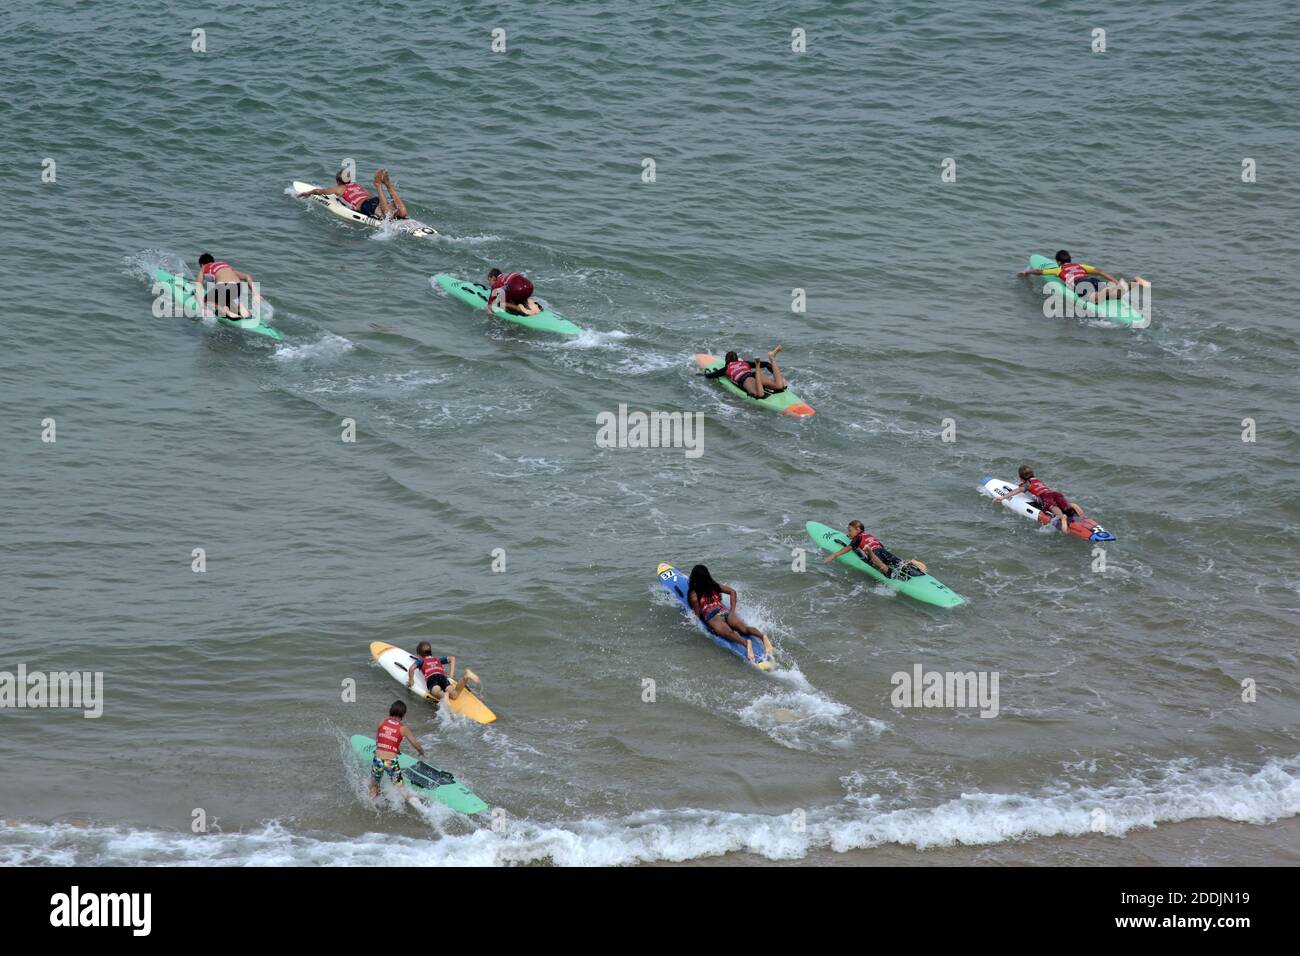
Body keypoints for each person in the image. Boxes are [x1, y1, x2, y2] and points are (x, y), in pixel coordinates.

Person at [686, 564, 772, 662]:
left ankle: (746, 643)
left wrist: (695, 621)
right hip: (724, 611)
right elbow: (733, 592)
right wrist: (732, 611)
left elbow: (698, 614)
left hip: (713, 616)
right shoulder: (714, 586)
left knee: (728, 633)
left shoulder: (694, 593)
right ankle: (762, 636)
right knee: (745, 629)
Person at [1018, 250, 1146, 306]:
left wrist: (1027, 272)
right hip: (1092, 280)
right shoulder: (1081, 266)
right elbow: (1100, 271)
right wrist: (1115, 281)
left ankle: (1105, 291)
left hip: (1080, 283)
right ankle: (1134, 283)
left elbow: (1040, 271)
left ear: (1058, 262)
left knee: (1095, 299)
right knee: (1116, 295)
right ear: (1070, 260)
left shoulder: (1059, 269)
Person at [993, 465, 1088, 535]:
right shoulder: (1036, 479)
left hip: (1046, 498)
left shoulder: (1026, 484)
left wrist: (1001, 497)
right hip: (1054, 494)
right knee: (1070, 506)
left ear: (1021, 478)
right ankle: (1083, 518)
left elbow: (1016, 491)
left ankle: (1063, 518)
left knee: (1060, 514)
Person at [298, 167, 409, 221]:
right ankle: (389, 186)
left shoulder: (340, 188)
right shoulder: (357, 186)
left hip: (366, 206)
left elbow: (320, 191)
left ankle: (379, 185)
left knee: (386, 216)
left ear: (337, 181)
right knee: (401, 213)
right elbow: (369, 196)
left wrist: (309, 193)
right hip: (375, 200)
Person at [823, 520, 928, 576]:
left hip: (874, 552)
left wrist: (834, 555)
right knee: (898, 563)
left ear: (858, 529)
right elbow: (881, 546)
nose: (848, 532)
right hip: (882, 549)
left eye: (850, 530)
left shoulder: (857, 537)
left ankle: (870, 553)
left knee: (884, 569)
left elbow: (849, 548)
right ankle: (912, 562)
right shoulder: (869, 535)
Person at [369, 700, 425, 800]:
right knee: (401, 787)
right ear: (403, 714)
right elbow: (415, 745)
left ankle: (370, 804)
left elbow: (379, 740)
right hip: (390, 762)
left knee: (374, 787)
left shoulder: (382, 722)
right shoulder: (403, 728)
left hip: (377, 760)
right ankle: (422, 809)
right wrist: (421, 752)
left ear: (390, 710)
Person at [406, 642, 479, 706]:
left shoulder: (421, 660)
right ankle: (466, 676)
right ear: (431, 652)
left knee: (435, 692)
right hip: (442, 676)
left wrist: (411, 681)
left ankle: (444, 696)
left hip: (432, 678)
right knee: (454, 694)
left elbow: (411, 668)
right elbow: (452, 658)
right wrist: (451, 675)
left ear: (419, 655)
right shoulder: (437, 660)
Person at [704, 345, 787, 399]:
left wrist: (704, 373)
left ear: (726, 361)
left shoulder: (726, 368)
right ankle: (772, 357)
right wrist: (773, 373)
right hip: (753, 375)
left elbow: (711, 375)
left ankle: (757, 365)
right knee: (779, 386)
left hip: (746, 379)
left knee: (759, 395)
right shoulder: (745, 363)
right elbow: (766, 364)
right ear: (737, 359)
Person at [194, 253, 258, 320]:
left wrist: (202, 307)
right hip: (238, 287)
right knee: (226, 298)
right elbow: (247, 276)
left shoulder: (203, 268)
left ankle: (227, 312)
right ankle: (241, 308)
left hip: (223, 287)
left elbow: (198, 288)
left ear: (202, 264)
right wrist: (256, 294)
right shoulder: (224, 266)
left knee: (207, 300)